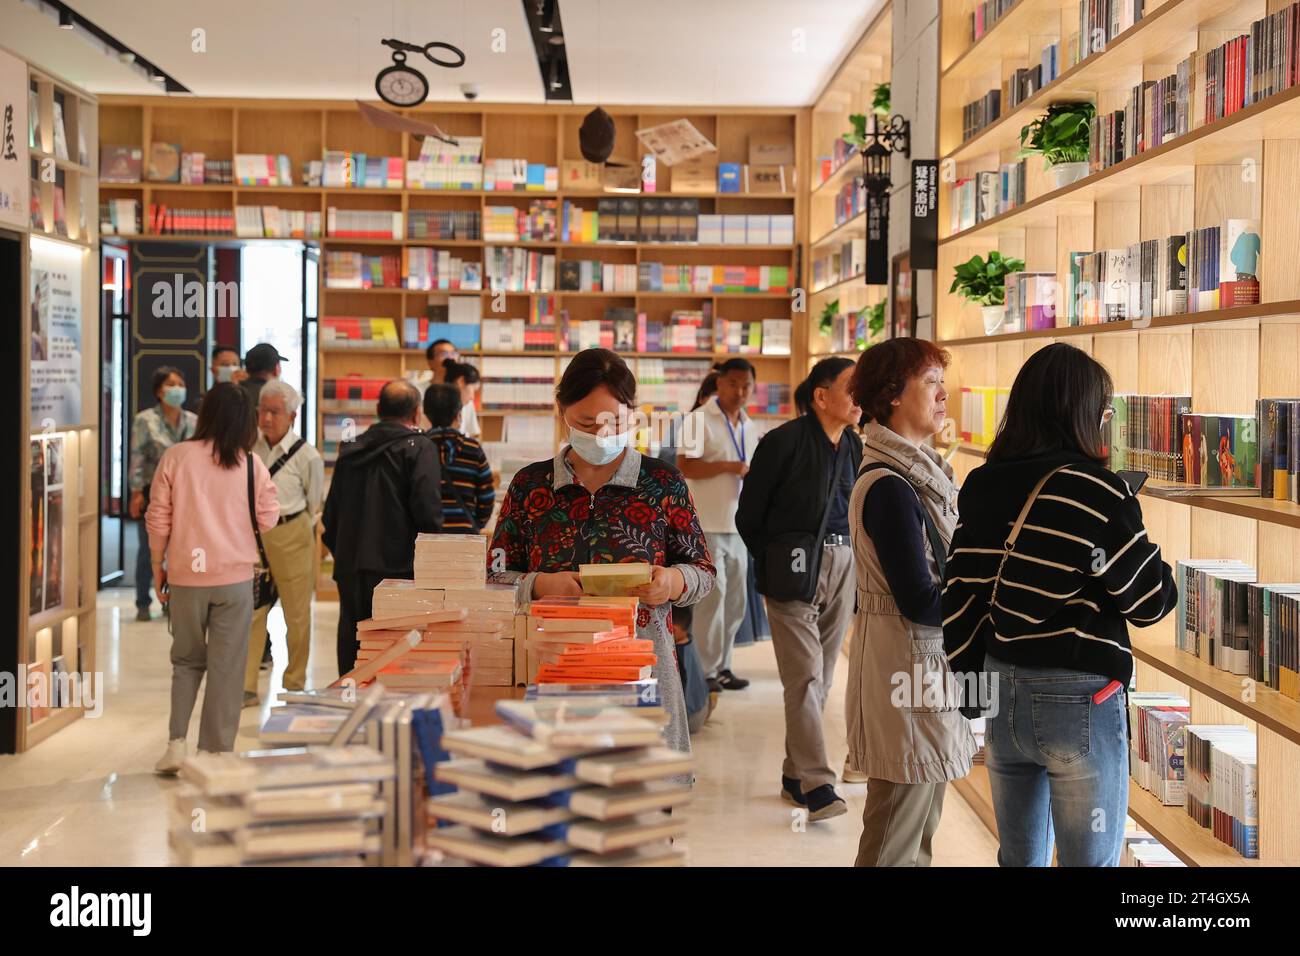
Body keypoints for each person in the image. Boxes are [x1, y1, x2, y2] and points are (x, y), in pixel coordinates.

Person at [943, 343, 1179, 867]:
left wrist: (969, 687)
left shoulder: (983, 484)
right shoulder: (1098, 491)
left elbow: (960, 586)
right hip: (1080, 700)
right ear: (1087, 414)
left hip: (1001, 687)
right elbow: (1148, 601)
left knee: (1019, 859)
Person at [487, 348, 716, 757]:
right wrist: (539, 585)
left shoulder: (663, 482)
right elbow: (494, 576)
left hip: (642, 667)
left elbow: (703, 571)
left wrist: (673, 580)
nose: (602, 436)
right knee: (562, 794)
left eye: (615, 423)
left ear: (633, 414)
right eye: (587, 424)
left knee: (643, 795)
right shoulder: (530, 486)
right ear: (562, 413)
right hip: (555, 667)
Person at [846, 339, 974, 867]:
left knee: (919, 829)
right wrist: (987, 590)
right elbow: (921, 599)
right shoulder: (892, 485)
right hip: (909, 672)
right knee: (895, 830)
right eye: (930, 382)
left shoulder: (917, 473)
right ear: (892, 396)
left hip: (921, 668)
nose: (944, 394)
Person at [736, 358, 862, 822]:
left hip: (843, 563)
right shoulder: (781, 443)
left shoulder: (855, 446)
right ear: (821, 396)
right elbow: (748, 516)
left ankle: (793, 774)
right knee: (806, 678)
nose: (859, 396)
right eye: (851, 388)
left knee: (822, 678)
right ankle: (817, 783)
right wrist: (775, 559)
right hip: (793, 569)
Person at [149, 383, 280, 772]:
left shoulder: (176, 457)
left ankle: (176, 745)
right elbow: (269, 518)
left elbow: (158, 518)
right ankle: (215, 751)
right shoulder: (251, 464)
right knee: (228, 665)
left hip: (187, 576)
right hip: (234, 578)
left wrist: (159, 567)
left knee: (186, 660)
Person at [322, 380, 443, 675]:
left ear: (378, 410)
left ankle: (352, 705)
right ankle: (391, 714)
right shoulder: (419, 448)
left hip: (352, 565)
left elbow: (331, 514)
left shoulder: (350, 449)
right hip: (400, 567)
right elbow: (427, 513)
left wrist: (344, 553)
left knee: (354, 643)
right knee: (396, 647)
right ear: (417, 413)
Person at [242, 380, 325, 706]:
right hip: (252, 538)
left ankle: (294, 683)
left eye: (274, 412)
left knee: (297, 614)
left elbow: (314, 502)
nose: (266, 418)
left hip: (293, 533)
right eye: (263, 411)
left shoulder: (307, 455)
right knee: (252, 612)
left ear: (291, 415)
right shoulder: (249, 447)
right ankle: (247, 686)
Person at [679, 358, 759, 694]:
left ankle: (724, 666)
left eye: (746, 386)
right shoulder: (699, 420)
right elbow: (685, 466)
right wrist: (729, 466)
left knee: (735, 602)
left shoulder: (748, 425)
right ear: (719, 384)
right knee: (714, 599)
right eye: (733, 384)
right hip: (706, 524)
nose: (740, 392)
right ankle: (706, 670)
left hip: (738, 526)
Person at [128, 366, 197, 622]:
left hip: (185, 493)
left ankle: (171, 599)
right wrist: (135, 491)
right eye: (171, 384)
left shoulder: (193, 421)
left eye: (180, 383)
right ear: (159, 391)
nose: (177, 388)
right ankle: (143, 602)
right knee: (149, 549)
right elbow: (137, 456)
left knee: (178, 548)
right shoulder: (145, 420)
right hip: (152, 491)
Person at [423, 382, 494, 534]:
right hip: (465, 533)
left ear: (425, 414)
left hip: (425, 536)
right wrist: (475, 523)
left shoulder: (417, 448)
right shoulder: (473, 448)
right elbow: (487, 496)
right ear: (459, 414)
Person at [443, 359, 483, 440]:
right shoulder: (434, 403)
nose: (472, 397)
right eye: (473, 390)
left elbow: (471, 435)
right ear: (461, 381)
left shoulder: (467, 405)